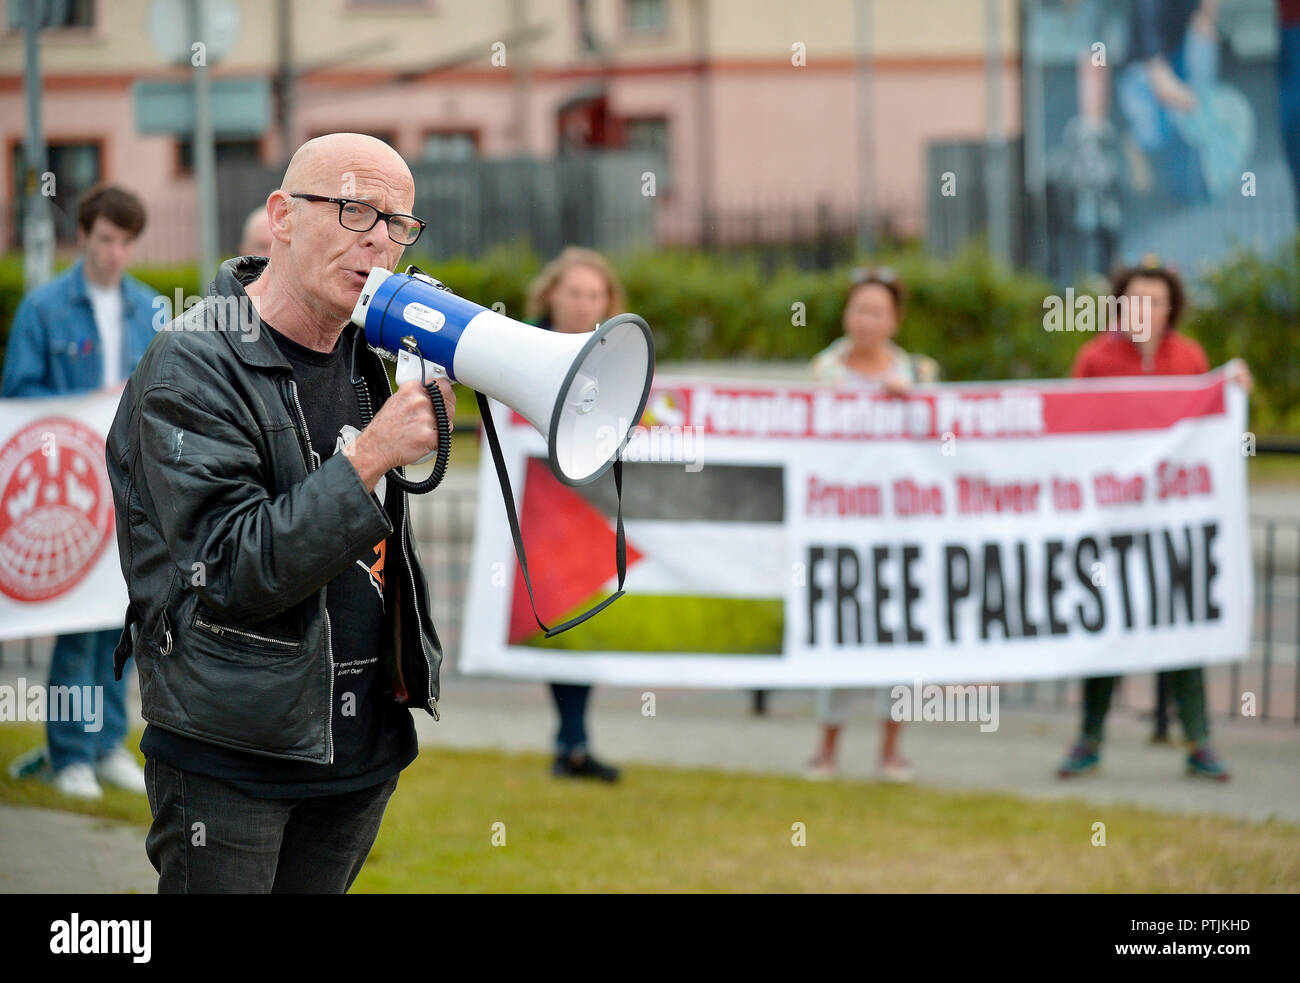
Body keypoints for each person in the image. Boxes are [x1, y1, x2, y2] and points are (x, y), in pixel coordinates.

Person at [106, 133, 452, 892]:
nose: (379, 241)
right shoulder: (194, 361)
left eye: (398, 223)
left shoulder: (365, 348)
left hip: (360, 749)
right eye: (356, 209)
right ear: (281, 217)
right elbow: (231, 569)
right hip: (235, 754)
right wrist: (369, 456)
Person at [1058, 257, 1250, 782]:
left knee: (1179, 624)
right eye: (1134, 300)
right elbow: (1069, 426)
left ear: (1171, 308)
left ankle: (1199, 740)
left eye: (1155, 301)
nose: (1144, 310)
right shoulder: (1095, 358)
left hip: (1170, 520)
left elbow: (1205, 420)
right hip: (1113, 518)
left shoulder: (1189, 357)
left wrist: (1231, 388)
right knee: (1107, 625)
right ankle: (1089, 738)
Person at [2, 185, 160, 799]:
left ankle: (105, 743)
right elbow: (18, 399)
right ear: (84, 236)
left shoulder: (148, 309)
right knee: (74, 624)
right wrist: (85, 408)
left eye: (125, 243)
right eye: (105, 240)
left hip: (129, 491)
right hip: (66, 491)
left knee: (119, 618)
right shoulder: (43, 310)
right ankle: (68, 751)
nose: (115, 253)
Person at [805, 267, 940, 782]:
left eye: (877, 311)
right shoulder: (824, 372)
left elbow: (940, 441)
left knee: (897, 640)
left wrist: (912, 404)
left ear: (895, 320)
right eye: (859, 309)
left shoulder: (921, 374)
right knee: (841, 637)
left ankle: (890, 751)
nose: (866, 321)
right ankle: (827, 749)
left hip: (900, 529)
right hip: (841, 526)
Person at [523, 247, 627, 783]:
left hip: (584, 508)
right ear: (552, 296)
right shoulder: (517, 343)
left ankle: (573, 740)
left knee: (578, 617)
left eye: (595, 295)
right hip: (536, 510)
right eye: (575, 292)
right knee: (557, 620)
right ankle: (572, 740)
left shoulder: (616, 354)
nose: (585, 303)